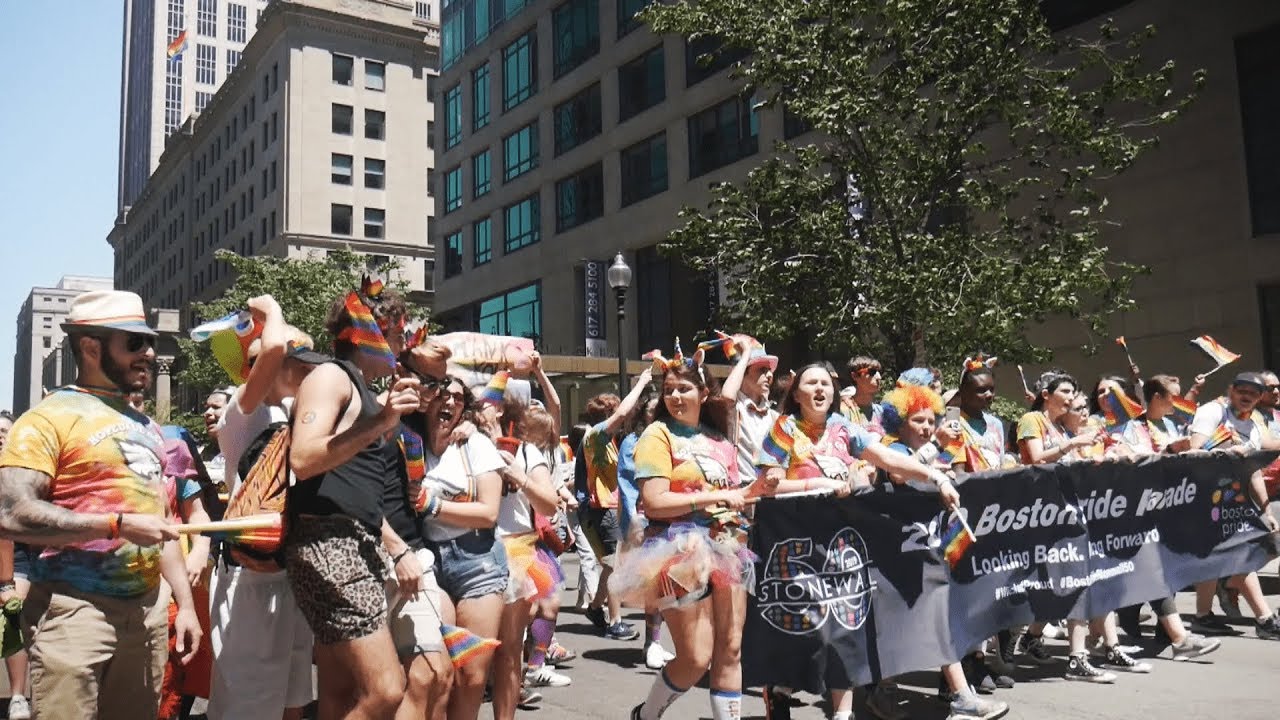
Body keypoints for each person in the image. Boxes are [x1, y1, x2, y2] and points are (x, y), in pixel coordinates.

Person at [0, 290, 200, 719]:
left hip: (146, 619)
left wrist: (184, 605)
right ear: (91, 347)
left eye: (148, 342)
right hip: (74, 614)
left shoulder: (147, 427)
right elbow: (10, 512)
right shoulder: (49, 417)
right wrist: (115, 523)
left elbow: (160, 526)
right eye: (133, 343)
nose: (148, 352)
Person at [753, 365, 966, 720]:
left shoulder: (844, 428)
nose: (820, 389)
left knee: (844, 628)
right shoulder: (782, 429)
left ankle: (842, 714)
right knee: (807, 633)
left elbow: (889, 459)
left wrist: (935, 477)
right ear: (796, 393)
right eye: (811, 383)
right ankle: (781, 690)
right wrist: (816, 485)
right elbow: (767, 486)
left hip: (841, 544)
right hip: (796, 545)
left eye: (826, 383)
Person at [286, 284, 419, 718]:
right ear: (370, 331)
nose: (402, 343)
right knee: (386, 690)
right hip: (330, 546)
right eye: (397, 333)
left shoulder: (360, 388)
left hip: (352, 544)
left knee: (339, 695)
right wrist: (382, 420)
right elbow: (304, 458)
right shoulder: (330, 376)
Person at [610, 351, 750, 720]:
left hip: (730, 545)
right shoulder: (657, 434)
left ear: (704, 393)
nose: (674, 396)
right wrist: (718, 496)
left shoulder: (720, 438)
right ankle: (646, 715)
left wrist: (756, 492)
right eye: (668, 389)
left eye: (684, 388)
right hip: (677, 550)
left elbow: (735, 493)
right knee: (695, 658)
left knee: (731, 648)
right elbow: (655, 502)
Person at [207, 304, 323, 720]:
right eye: (300, 361)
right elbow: (273, 346)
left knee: (294, 701)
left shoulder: (302, 414)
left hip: (290, 572)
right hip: (247, 579)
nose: (311, 370)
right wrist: (273, 308)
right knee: (246, 706)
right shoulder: (241, 413)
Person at [874, 383, 1009, 720]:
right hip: (892, 552)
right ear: (899, 422)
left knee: (938, 620)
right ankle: (884, 692)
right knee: (894, 626)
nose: (927, 426)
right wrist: (937, 450)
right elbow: (898, 474)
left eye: (930, 419)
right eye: (917, 420)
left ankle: (958, 695)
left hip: (927, 551)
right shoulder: (891, 447)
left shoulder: (936, 450)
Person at [1016, 372, 1144, 682]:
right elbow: (1034, 460)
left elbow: (1072, 465)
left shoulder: (1061, 427)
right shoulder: (1032, 419)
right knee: (1073, 582)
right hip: (1042, 516)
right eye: (1066, 391)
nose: (1073, 398)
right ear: (1046, 394)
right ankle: (1073, 655)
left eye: (1074, 392)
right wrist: (1073, 444)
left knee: (1085, 579)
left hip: (1072, 514)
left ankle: (1086, 649)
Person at [1109, 375, 1222, 661]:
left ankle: (1161, 630)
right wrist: (1170, 451)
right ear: (1157, 397)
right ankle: (1174, 636)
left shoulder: (1173, 424)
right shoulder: (1134, 428)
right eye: (1174, 396)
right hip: (1141, 510)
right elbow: (1134, 462)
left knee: (1166, 566)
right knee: (1151, 569)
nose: (1180, 401)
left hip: (1171, 508)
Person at [1186, 371, 1280, 639]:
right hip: (1203, 498)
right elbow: (1194, 452)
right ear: (1231, 390)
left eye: (1254, 394)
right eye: (1243, 391)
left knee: (1215, 559)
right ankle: (1265, 619)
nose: (1247, 397)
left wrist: (1265, 509)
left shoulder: (1251, 424)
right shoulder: (1212, 411)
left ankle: (1202, 617)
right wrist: (1227, 447)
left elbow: (1254, 471)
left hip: (1234, 499)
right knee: (1241, 554)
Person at [579, 377, 653, 642]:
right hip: (602, 509)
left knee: (612, 564)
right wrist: (642, 382)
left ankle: (596, 606)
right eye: (617, 412)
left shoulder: (610, 443)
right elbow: (625, 412)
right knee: (616, 566)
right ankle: (615, 622)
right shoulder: (596, 436)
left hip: (610, 507)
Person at [0, 410, 30, 720]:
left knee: (12, 619)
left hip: (19, 561)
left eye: (4, 431)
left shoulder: (25, 473)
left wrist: (6, 584)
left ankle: (18, 696)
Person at [840, 355, 884, 433]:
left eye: (879, 372)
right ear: (854, 376)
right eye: (872, 372)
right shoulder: (843, 411)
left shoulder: (881, 412)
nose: (879, 377)